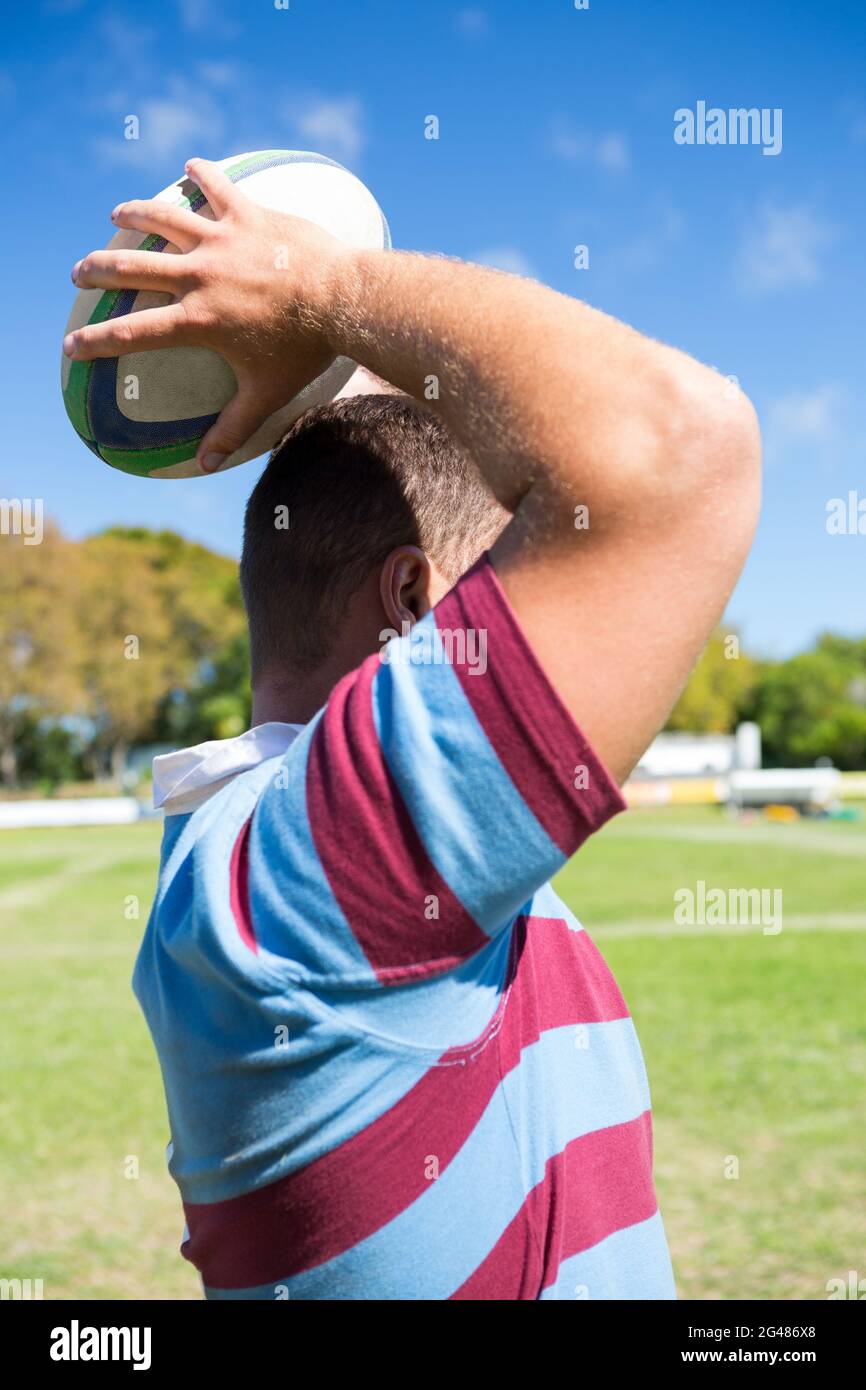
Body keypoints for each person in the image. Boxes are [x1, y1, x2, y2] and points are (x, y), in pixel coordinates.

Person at [65, 158, 761, 1300]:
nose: (550, 616)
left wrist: (317, 366)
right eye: (510, 577)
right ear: (412, 605)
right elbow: (679, 444)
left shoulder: (308, 864)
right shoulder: (303, 888)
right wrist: (319, 287)